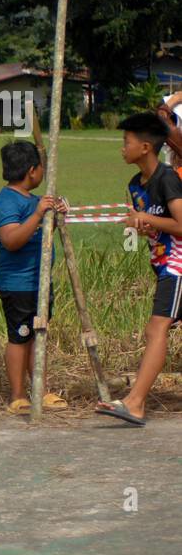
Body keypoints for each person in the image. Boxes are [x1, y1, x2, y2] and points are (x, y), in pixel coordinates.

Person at [96, 113, 182, 426]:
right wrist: (145, 227)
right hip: (162, 265)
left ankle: (135, 403)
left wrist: (144, 221)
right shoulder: (135, 185)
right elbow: (155, 227)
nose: (122, 148)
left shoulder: (168, 179)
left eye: (126, 142)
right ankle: (136, 403)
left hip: (178, 266)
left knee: (156, 328)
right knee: (157, 329)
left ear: (145, 147)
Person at [0, 140, 68, 415]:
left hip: (40, 282)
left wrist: (55, 216)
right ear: (32, 170)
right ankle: (18, 395)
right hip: (18, 284)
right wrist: (37, 215)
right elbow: (11, 240)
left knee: (39, 336)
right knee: (20, 337)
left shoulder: (35, 201)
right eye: (41, 169)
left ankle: (41, 390)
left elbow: (46, 230)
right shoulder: (6, 202)